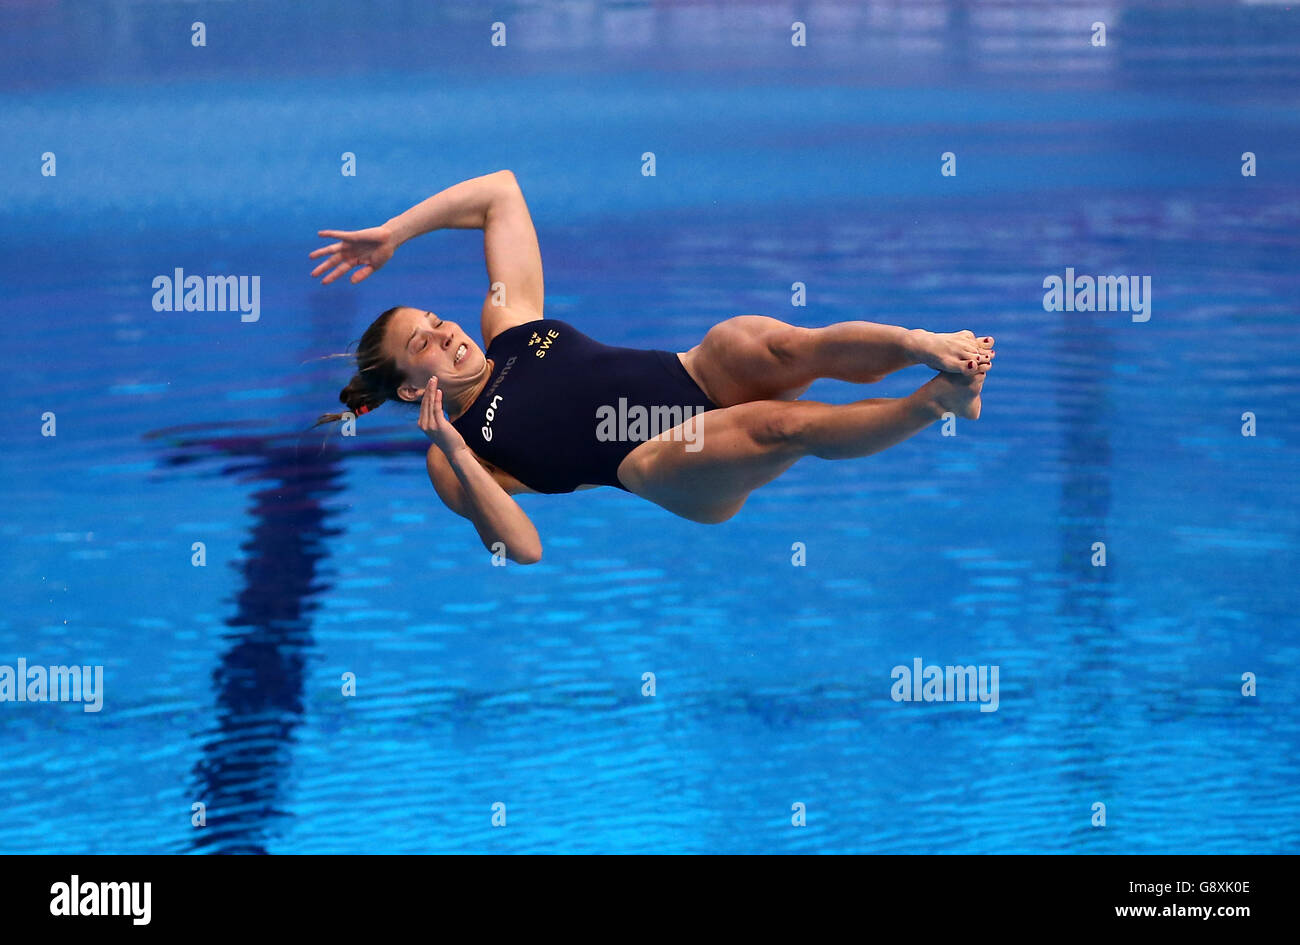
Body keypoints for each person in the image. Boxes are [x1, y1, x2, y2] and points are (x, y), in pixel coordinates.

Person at [312, 170, 994, 564]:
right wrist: (457, 450)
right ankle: (936, 402)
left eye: (436, 319)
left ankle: (917, 344)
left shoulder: (508, 326)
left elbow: (501, 194)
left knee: (768, 345)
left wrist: (397, 231)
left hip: (693, 376)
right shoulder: (456, 456)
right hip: (662, 462)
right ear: (411, 385)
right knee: (784, 426)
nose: (446, 330)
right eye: (425, 343)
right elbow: (523, 549)